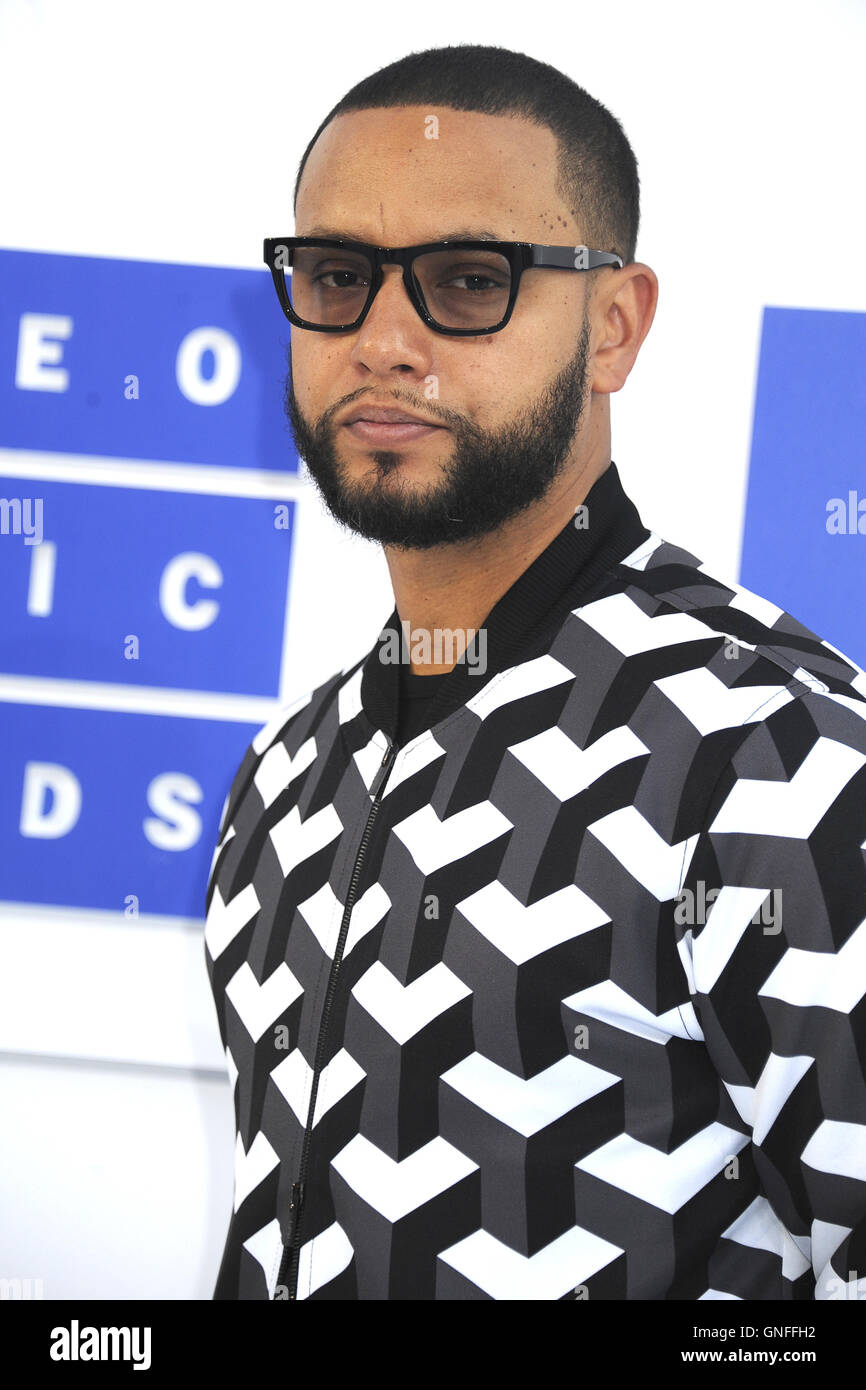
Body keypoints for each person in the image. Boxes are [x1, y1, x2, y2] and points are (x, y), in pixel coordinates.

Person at [204, 43, 866, 1300]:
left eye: (467, 280)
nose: (384, 341)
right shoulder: (286, 777)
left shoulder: (777, 761)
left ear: (611, 326)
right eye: (338, 275)